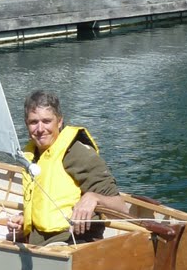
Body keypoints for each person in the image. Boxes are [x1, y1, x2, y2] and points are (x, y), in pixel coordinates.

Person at [18, 90, 129, 245]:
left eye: (46, 121)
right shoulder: (31, 156)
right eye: (33, 122)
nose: (40, 128)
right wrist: (23, 220)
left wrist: (94, 197)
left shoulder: (77, 154)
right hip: (39, 242)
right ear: (26, 124)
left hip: (72, 242)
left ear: (59, 121)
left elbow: (121, 209)